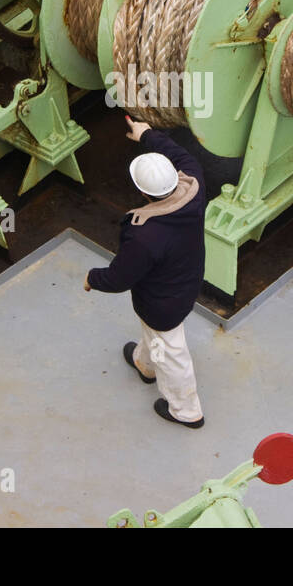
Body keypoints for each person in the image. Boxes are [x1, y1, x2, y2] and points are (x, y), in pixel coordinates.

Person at [85, 115, 206, 428]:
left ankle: (186, 410)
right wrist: (146, 134)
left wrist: (92, 279)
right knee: (158, 338)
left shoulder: (146, 235)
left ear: (144, 192)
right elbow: (182, 156)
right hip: (186, 283)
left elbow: (119, 278)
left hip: (161, 302)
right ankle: (145, 364)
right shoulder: (193, 184)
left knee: (172, 350)